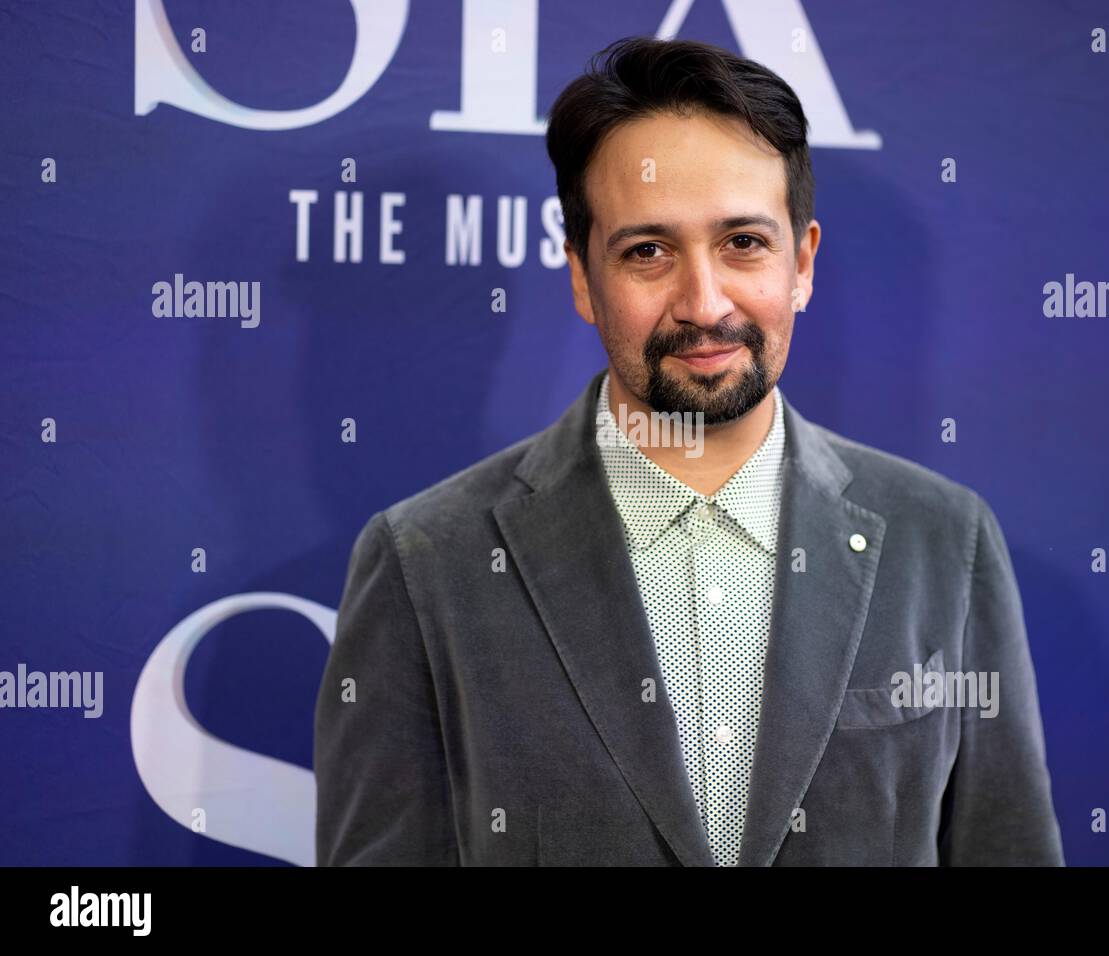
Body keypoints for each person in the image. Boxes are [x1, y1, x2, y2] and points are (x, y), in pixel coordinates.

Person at [314, 35, 1064, 867]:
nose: (703, 304)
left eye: (744, 242)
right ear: (580, 277)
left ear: (803, 262)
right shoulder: (429, 562)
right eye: (648, 252)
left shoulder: (944, 542)